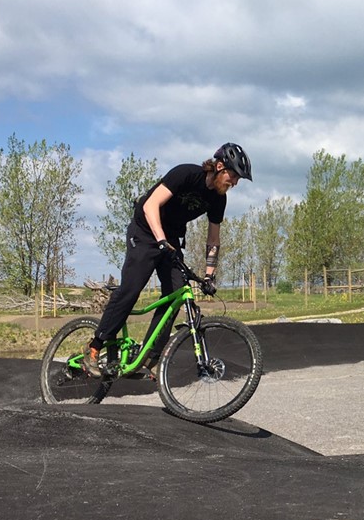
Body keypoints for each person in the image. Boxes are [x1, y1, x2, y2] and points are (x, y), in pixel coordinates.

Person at [82, 143, 252, 377]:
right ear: (220, 166)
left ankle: (149, 356)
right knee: (131, 290)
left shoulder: (218, 199)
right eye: (233, 176)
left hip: (169, 239)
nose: (235, 183)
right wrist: (160, 240)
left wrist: (209, 274)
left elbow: (213, 239)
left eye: (238, 179)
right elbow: (151, 204)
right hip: (144, 231)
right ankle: (94, 346)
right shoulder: (186, 174)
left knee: (177, 293)